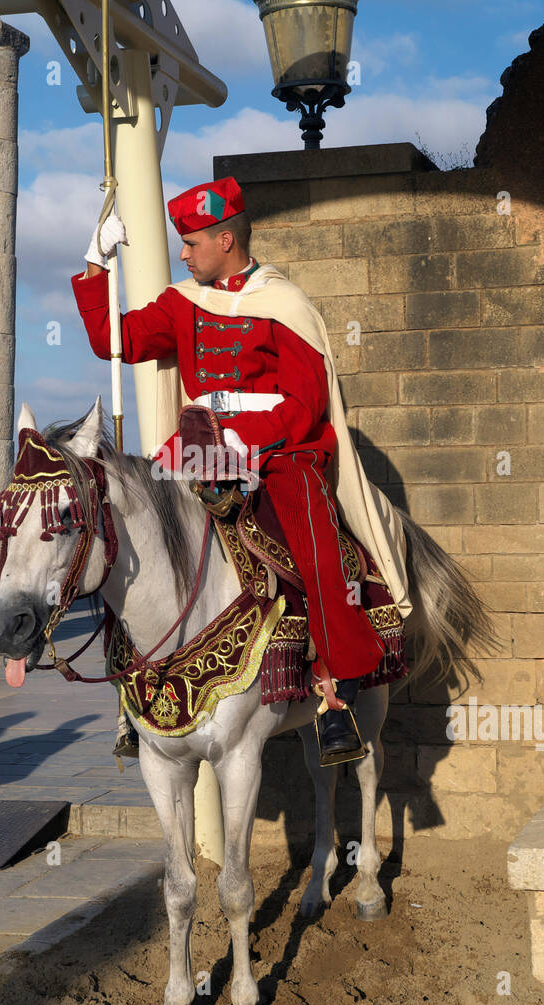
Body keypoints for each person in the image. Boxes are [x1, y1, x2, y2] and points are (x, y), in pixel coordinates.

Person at [72, 176, 390, 763]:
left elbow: (304, 404)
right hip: (199, 451)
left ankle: (336, 693)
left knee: (315, 546)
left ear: (226, 238)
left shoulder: (285, 303)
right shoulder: (181, 303)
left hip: (280, 455)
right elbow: (111, 341)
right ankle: (131, 691)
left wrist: (243, 440)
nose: (184, 254)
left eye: (191, 243)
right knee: (132, 530)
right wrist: (96, 263)